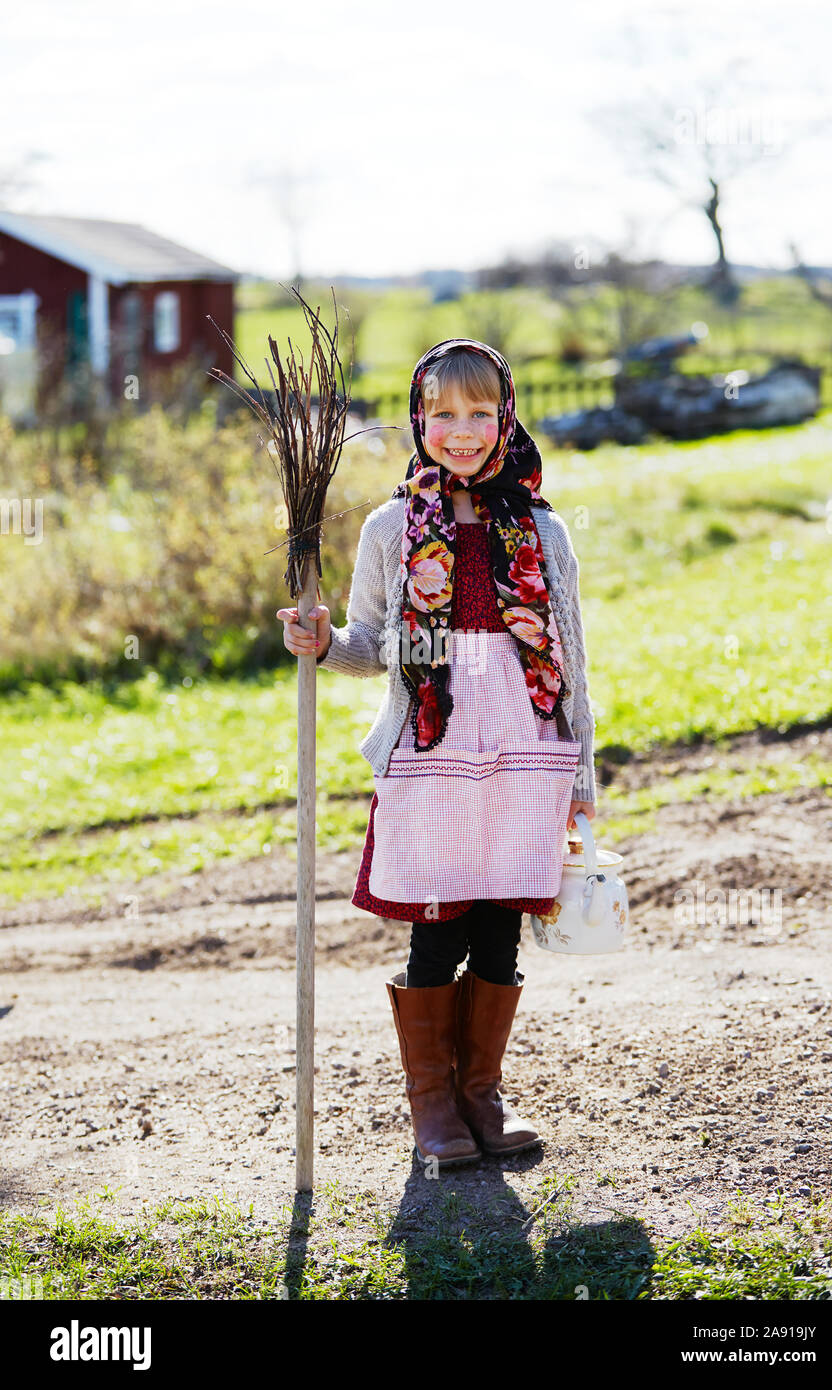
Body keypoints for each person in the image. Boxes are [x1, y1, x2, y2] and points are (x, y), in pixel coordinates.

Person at [278, 338, 597, 1170]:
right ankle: (434, 1113)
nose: (463, 430)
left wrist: (582, 775)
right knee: (435, 931)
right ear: (419, 419)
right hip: (432, 750)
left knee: (500, 931)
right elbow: (372, 644)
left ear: (506, 420)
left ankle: (482, 1098)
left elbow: (569, 657)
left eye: (480, 413)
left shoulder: (540, 526)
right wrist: (322, 641)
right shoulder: (393, 527)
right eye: (445, 413)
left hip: (528, 754)